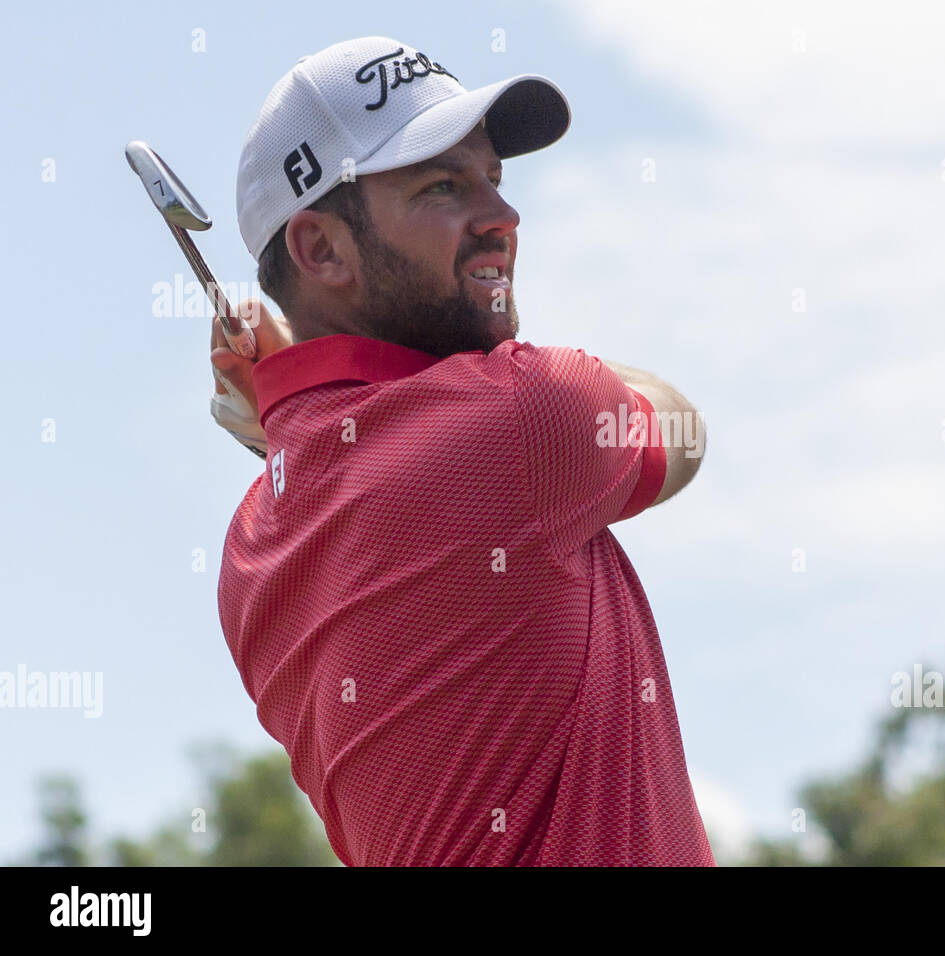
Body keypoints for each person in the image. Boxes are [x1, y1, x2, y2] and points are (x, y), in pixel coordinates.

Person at [209, 36, 714, 865]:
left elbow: (375, 478)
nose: (502, 217)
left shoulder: (247, 548)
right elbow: (683, 427)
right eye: (442, 185)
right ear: (321, 250)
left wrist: (296, 399)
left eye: (494, 178)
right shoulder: (523, 416)